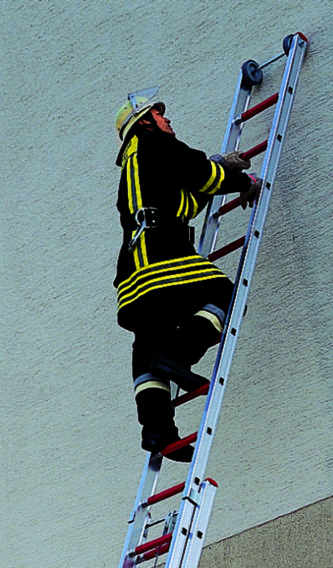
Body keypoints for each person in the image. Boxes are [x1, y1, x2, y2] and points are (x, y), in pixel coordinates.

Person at [114, 88, 261, 459]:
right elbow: (200, 174)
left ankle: (158, 433)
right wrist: (242, 181)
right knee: (228, 297)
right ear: (144, 122)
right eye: (160, 114)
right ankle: (179, 356)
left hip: (134, 274)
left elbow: (184, 203)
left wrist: (217, 169)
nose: (167, 119)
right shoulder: (152, 143)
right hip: (160, 253)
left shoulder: (138, 163)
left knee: (149, 348)